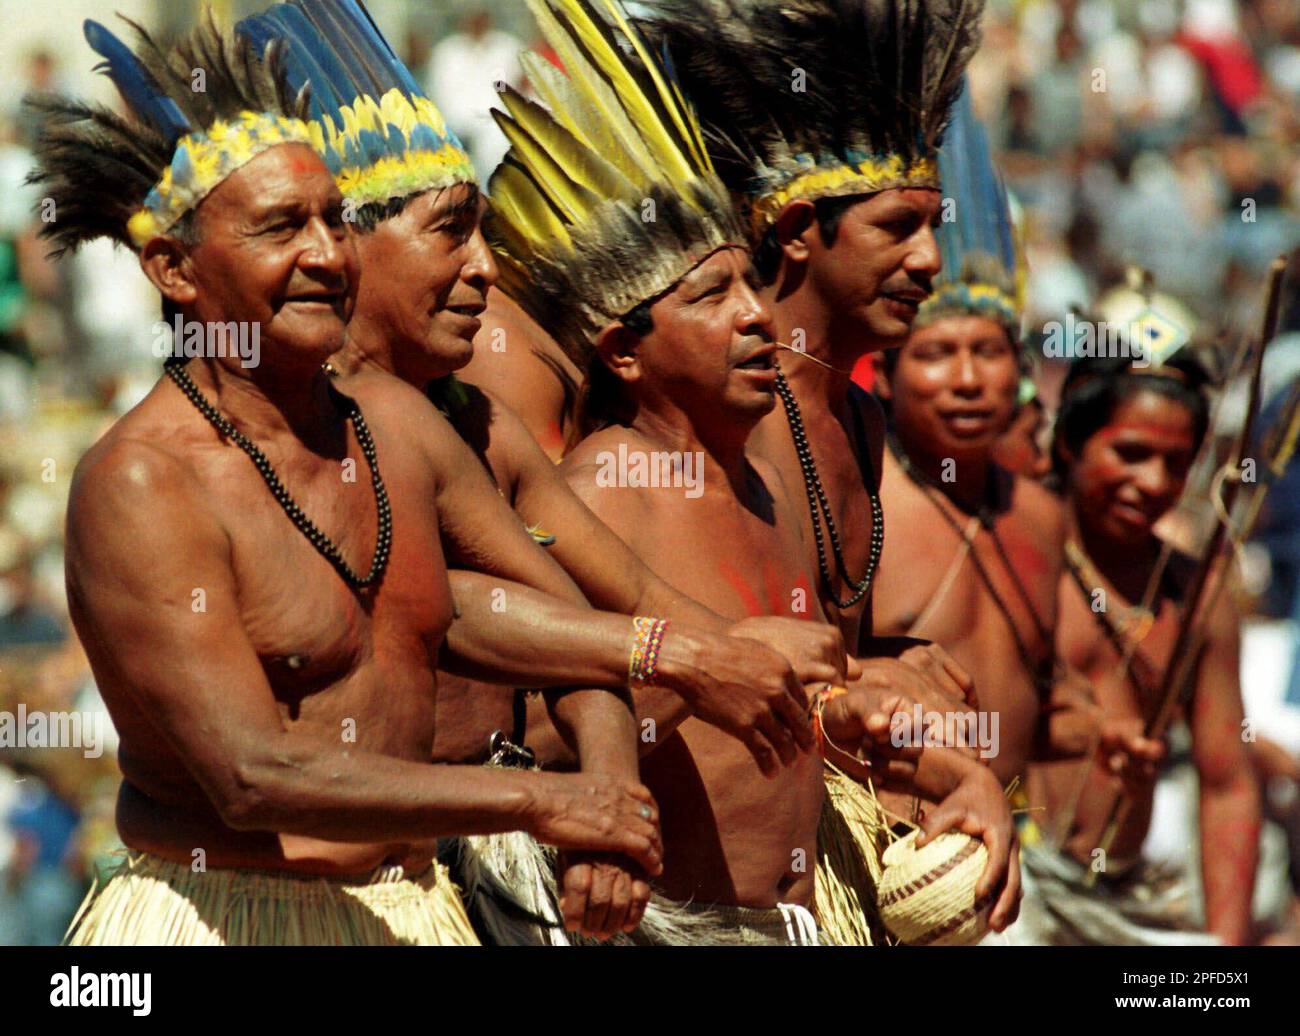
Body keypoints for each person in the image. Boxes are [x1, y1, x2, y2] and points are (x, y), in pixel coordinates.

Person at [31, 11, 661, 946]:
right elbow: (252, 778)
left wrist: (609, 800)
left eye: (335, 219)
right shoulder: (139, 482)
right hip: (225, 915)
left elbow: (580, 643)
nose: (329, 254)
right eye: (284, 226)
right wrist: (543, 801)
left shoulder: (397, 424)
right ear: (173, 268)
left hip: (412, 909)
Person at [487, 0, 1021, 945]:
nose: (931, 260)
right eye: (900, 226)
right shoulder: (619, 475)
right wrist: (727, 664)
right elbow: (525, 730)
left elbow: (798, 705)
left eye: (934, 225)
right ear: (804, 227)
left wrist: (947, 766)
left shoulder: (826, 433)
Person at [1021, 352, 1261, 944]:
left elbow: (1228, 781)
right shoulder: (1017, 558)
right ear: (1072, 443)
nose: (1153, 482)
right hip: (1006, 896)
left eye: (1176, 464)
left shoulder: (1195, 591)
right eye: (1130, 453)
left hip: (1122, 901)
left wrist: (1224, 953)